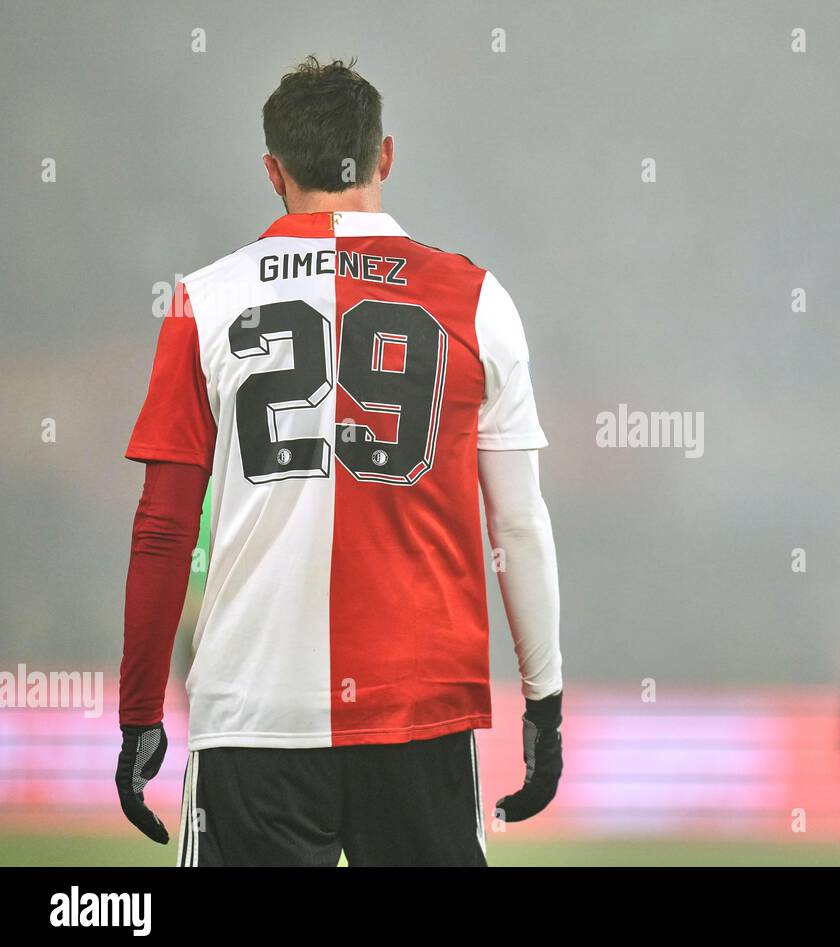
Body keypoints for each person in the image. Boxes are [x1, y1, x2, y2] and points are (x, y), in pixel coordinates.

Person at [115, 56, 562, 866]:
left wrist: (139, 709)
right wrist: (546, 702)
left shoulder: (202, 300)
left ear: (272, 171)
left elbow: (163, 528)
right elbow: (520, 524)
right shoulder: (474, 297)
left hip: (255, 715)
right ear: (383, 157)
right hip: (416, 710)